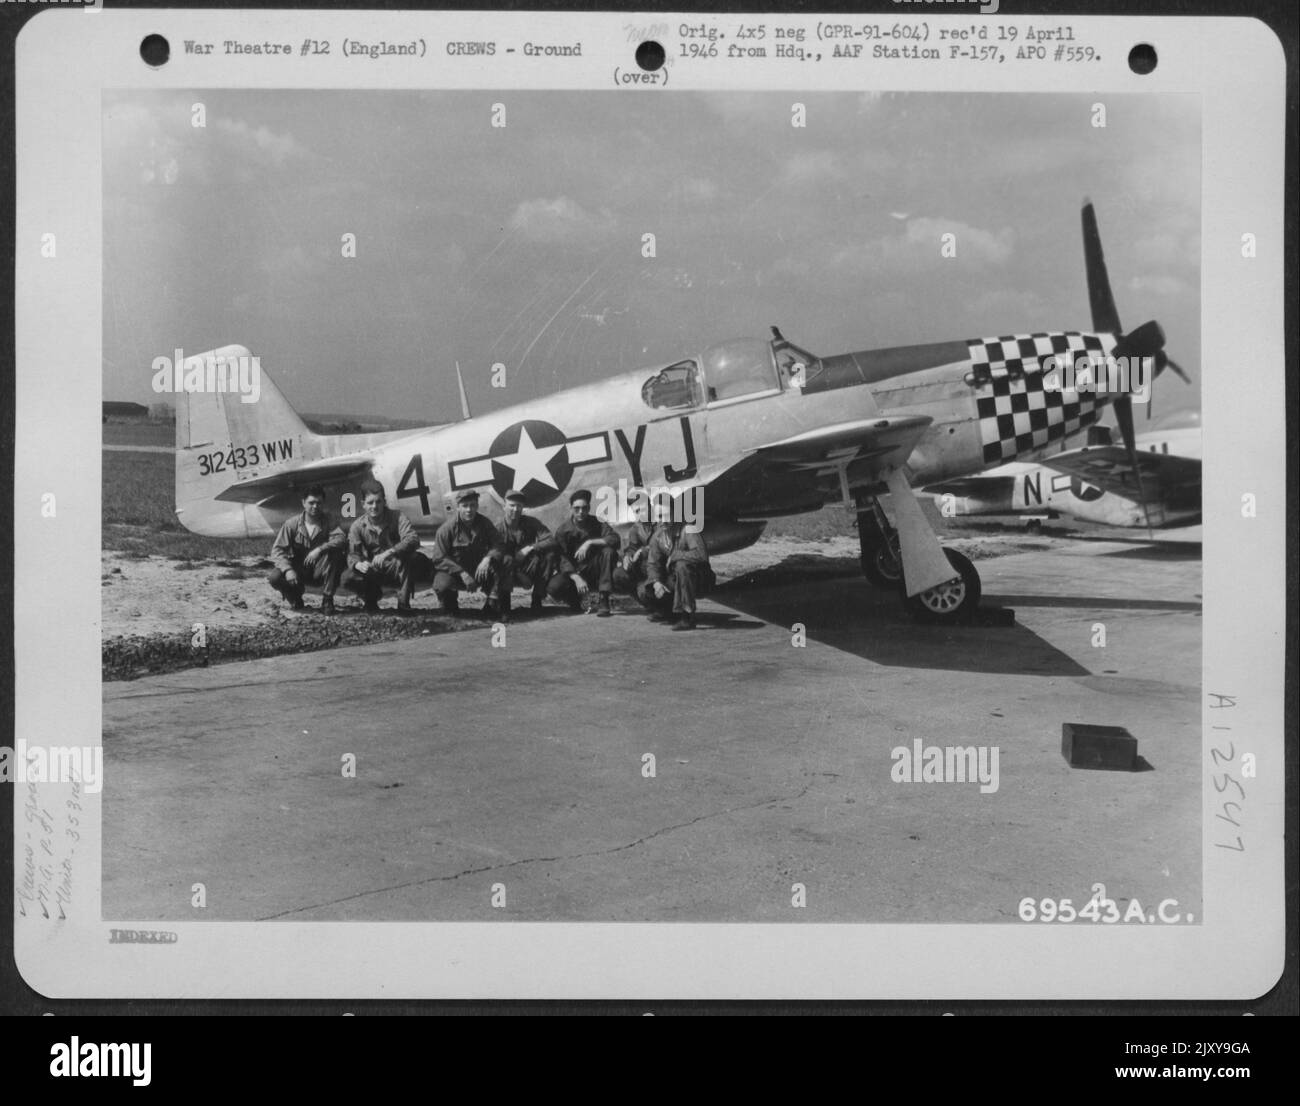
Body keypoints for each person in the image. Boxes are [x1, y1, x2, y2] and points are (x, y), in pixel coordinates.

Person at [267, 485, 347, 615]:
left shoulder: (329, 520)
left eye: (319, 503)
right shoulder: (291, 524)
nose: (315, 506)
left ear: (323, 503)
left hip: (320, 570)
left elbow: (341, 539)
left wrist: (320, 549)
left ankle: (327, 600)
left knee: (336, 554)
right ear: (303, 503)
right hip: (299, 571)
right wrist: (288, 570)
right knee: (274, 577)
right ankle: (294, 597)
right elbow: (277, 551)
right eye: (311, 503)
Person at [344, 480, 421, 612]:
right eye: (370, 503)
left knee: (408, 558)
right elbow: (353, 553)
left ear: (384, 502)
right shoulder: (357, 526)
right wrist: (358, 564)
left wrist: (390, 552)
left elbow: (413, 539)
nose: (374, 506)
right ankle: (371, 600)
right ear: (363, 504)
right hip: (375, 569)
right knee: (347, 578)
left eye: (378, 501)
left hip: (397, 566)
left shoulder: (398, 517)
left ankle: (403, 604)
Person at [431, 489, 506, 616]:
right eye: (464, 506)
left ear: (477, 506)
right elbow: (438, 558)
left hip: (479, 571)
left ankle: (492, 604)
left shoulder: (484, 523)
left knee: (501, 564)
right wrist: (461, 572)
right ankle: (450, 606)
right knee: (442, 584)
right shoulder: (446, 529)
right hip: (456, 573)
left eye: (472, 505)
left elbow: (499, 544)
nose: (469, 510)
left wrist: (487, 558)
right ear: (458, 508)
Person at [547, 488, 621, 617]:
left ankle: (603, 598)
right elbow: (561, 557)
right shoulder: (563, 530)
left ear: (589, 508)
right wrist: (575, 577)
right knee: (554, 587)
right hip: (573, 573)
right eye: (576, 508)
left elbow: (614, 539)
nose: (581, 512)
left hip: (596, 571)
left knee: (608, 551)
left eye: (584, 508)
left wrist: (590, 542)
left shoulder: (597, 523)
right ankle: (573, 599)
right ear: (570, 508)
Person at [644, 501, 713, 631]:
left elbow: (702, 555)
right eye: (659, 516)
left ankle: (687, 617)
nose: (663, 521)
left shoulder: (688, 529)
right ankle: (668, 612)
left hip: (700, 579)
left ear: (674, 514)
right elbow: (653, 564)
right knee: (648, 590)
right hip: (679, 578)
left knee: (682, 566)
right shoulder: (657, 536)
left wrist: (676, 555)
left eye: (666, 515)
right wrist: (656, 582)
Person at [493, 489, 559, 617]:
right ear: (504, 507)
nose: (515, 509)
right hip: (508, 571)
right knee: (504, 560)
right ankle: (504, 607)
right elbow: (494, 553)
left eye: (519, 506)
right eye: (512, 505)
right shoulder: (498, 528)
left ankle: (537, 600)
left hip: (527, 568)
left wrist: (530, 548)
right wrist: (517, 571)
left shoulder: (530, 522)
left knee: (549, 555)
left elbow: (551, 540)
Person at [613, 488, 658, 606]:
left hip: (662, 567)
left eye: (641, 510)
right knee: (619, 574)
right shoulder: (636, 529)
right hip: (647, 569)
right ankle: (649, 605)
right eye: (635, 512)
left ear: (649, 505)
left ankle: (668, 608)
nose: (639, 515)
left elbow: (667, 544)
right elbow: (632, 548)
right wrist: (627, 557)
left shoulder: (662, 520)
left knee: (648, 589)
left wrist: (643, 550)